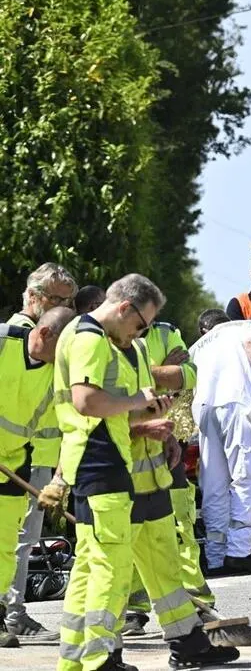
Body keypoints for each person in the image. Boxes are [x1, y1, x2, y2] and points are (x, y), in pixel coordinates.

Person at [46, 274, 173, 671]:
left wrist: (135, 410)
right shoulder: (89, 338)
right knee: (110, 565)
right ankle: (99, 658)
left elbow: (94, 405)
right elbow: (86, 402)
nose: (140, 334)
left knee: (88, 564)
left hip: (90, 460)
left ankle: (75, 659)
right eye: (141, 326)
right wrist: (137, 399)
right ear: (123, 308)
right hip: (100, 461)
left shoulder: (80, 334)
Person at [115, 328, 239, 668]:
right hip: (114, 483)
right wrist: (159, 375)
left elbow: (183, 378)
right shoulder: (93, 346)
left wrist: (162, 429)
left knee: (167, 560)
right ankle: (103, 653)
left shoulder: (151, 340)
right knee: (111, 572)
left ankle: (188, 640)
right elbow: (96, 414)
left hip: (155, 474)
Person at [123, 321, 214, 638]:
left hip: (167, 445)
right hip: (129, 454)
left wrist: (155, 377)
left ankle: (196, 603)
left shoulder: (165, 333)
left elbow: (187, 378)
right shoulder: (110, 340)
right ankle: (134, 610)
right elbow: (125, 392)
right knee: (132, 537)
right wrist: (162, 373)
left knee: (180, 528)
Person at [4, 263, 77, 641]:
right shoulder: (9, 340)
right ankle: (10, 613)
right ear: (34, 298)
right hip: (14, 460)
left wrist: (56, 475)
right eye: (59, 300)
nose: (68, 308)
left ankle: (11, 613)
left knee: (22, 541)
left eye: (71, 301)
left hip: (34, 462)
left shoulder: (55, 354)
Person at [189, 310, 251, 575]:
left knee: (214, 485)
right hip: (236, 404)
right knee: (244, 478)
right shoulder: (237, 329)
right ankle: (239, 552)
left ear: (204, 329)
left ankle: (215, 558)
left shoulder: (196, 348)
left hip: (204, 410)